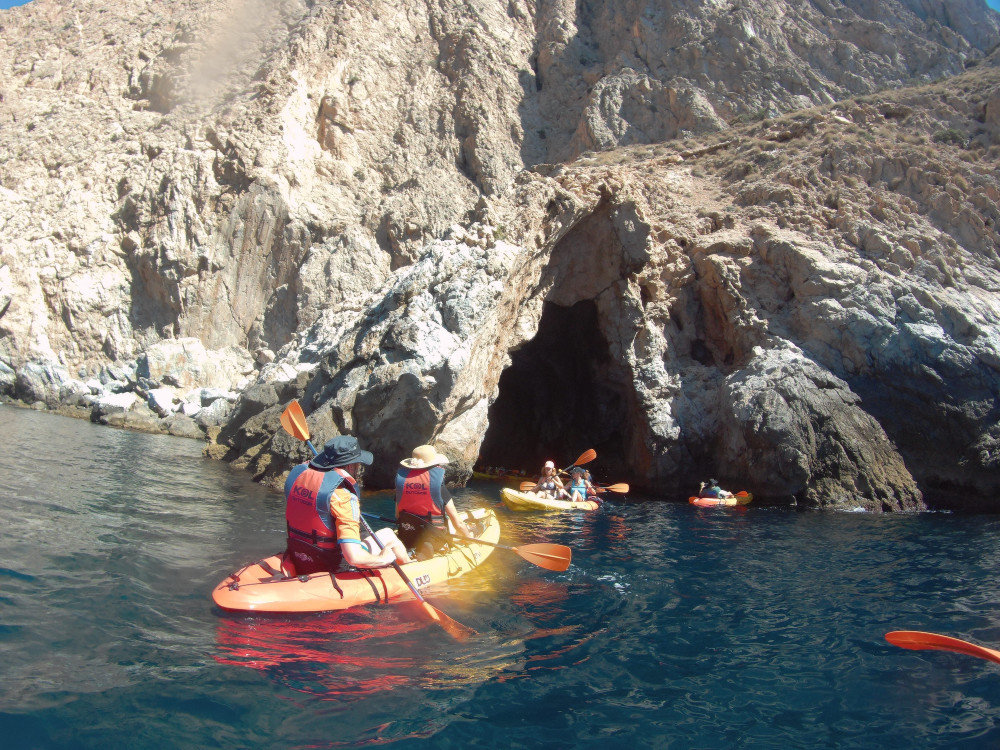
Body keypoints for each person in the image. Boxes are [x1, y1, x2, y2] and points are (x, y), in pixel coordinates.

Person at [283, 435, 408, 576]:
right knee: (389, 535)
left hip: (300, 554)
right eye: (358, 464)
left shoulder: (296, 479)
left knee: (363, 534)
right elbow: (354, 558)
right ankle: (414, 570)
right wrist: (383, 559)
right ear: (350, 466)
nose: (359, 467)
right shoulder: (344, 497)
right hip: (331, 564)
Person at [395, 444, 472, 560]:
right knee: (436, 537)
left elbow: (397, 515)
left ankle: (413, 548)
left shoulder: (402, 483)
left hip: (407, 534)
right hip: (433, 535)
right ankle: (429, 545)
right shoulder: (438, 487)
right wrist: (469, 537)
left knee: (409, 531)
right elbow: (458, 523)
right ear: (434, 465)